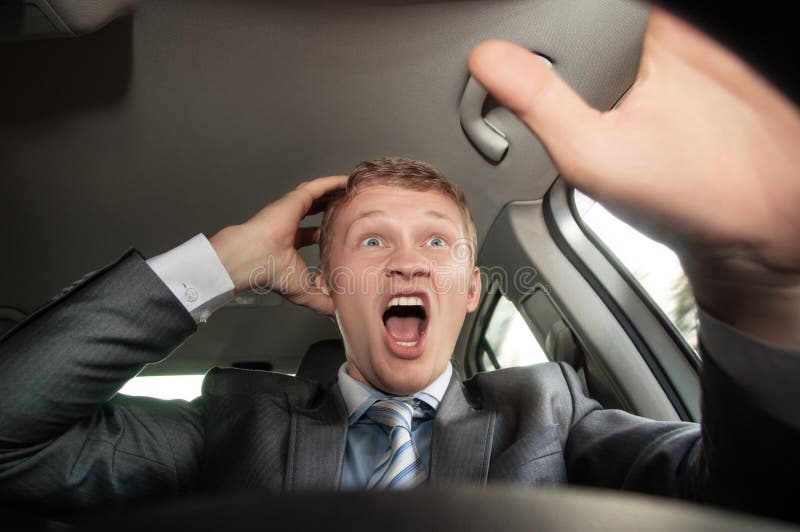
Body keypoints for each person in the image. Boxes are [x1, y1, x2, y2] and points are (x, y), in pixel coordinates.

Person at [0, 6, 798, 523]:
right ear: (330, 288)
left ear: (472, 290)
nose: (409, 263)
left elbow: (742, 502)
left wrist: (760, 292)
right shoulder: (233, 424)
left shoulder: (550, 411)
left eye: (438, 242)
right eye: (374, 242)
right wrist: (225, 262)